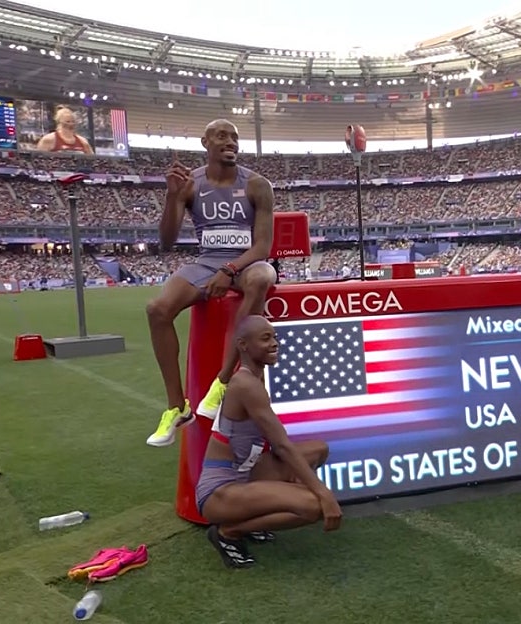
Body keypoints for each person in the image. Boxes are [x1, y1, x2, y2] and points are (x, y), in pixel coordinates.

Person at [145, 119, 276, 447]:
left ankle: (222, 382)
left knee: (262, 277)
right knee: (157, 309)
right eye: (222, 136)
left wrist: (231, 269)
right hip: (206, 262)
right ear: (205, 143)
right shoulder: (190, 184)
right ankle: (178, 407)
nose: (230, 141)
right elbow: (166, 241)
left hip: (245, 263)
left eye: (235, 137)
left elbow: (263, 247)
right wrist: (171, 197)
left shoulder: (257, 185)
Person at [196, 315, 342, 568]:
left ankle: (260, 512)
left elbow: (276, 446)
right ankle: (229, 532)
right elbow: (282, 445)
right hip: (218, 492)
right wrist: (323, 492)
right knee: (314, 505)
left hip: (245, 472)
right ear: (243, 345)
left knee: (318, 450)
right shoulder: (245, 384)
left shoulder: (256, 377)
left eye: (274, 337)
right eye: (266, 338)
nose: (275, 343)